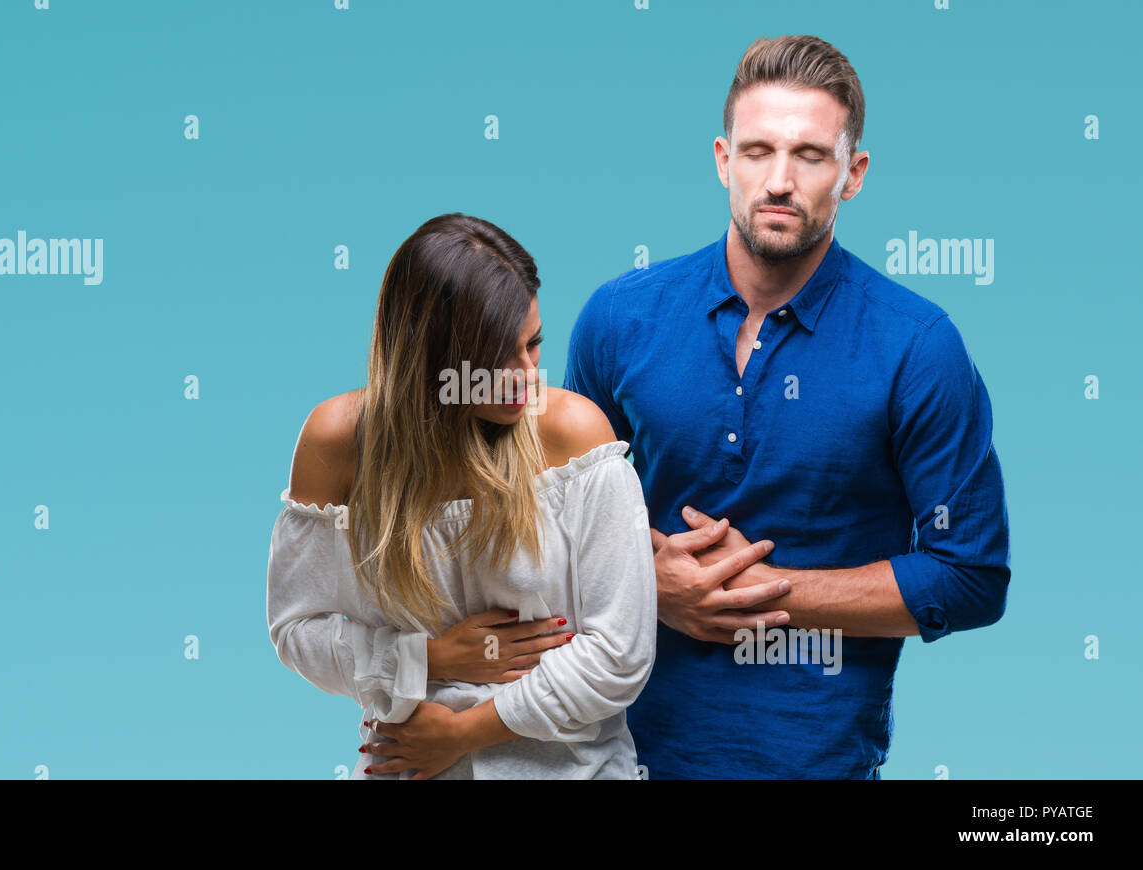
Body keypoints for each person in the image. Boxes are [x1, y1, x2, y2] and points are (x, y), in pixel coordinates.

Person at [563, 34, 1012, 779]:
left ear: (853, 173)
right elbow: (549, 524)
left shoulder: (918, 345)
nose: (779, 180)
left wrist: (758, 594)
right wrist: (651, 580)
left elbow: (969, 576)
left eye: (809, 155)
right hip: (611, 757)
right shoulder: (618, 319)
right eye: (757, 151)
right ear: (721, 160)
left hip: (815, 761)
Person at [265, 213, 787, 779]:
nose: (526, 376)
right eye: (496, 360)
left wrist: (463, 730)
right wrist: (426, 659)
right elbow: (297, 630)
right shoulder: (337, 440)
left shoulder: (573, 434)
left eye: (534, 345)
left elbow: (621, 656)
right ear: (428, 359)